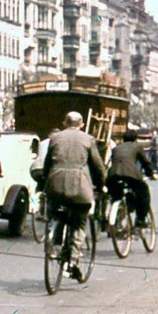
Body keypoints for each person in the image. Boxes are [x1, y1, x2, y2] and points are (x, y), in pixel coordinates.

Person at [40, 112, 106, 280]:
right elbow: (97, 166)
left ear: (64, 123)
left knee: (56, 213)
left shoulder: (55, 138)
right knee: (79, 223)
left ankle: (54, 241)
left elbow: (47, 164)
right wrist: (101, 185)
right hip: (79, 187)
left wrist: (44, 183)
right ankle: (72, 261)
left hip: (55, 184)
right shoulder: (88, 139)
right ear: (81, 124)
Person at [106, 130, 158, 227]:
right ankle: (141, 219)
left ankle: (116, 216)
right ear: (135, 139)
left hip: (113, 175)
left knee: (116, 195)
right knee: (143, 192)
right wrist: (151, 174)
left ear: (123, 139)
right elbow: (145, 163)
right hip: (130, 174)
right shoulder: (137, 146)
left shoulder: (117, 148)